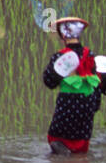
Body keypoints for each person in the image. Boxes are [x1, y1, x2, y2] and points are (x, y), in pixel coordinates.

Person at [42, 17, 102, 154]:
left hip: (69, 101)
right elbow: (96, 80)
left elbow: (49, 81)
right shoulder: (89, 54)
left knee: (58, 138)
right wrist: (95, 104)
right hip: (88, 101)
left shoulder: (60, 56)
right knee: (81, 141)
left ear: (63, 35)